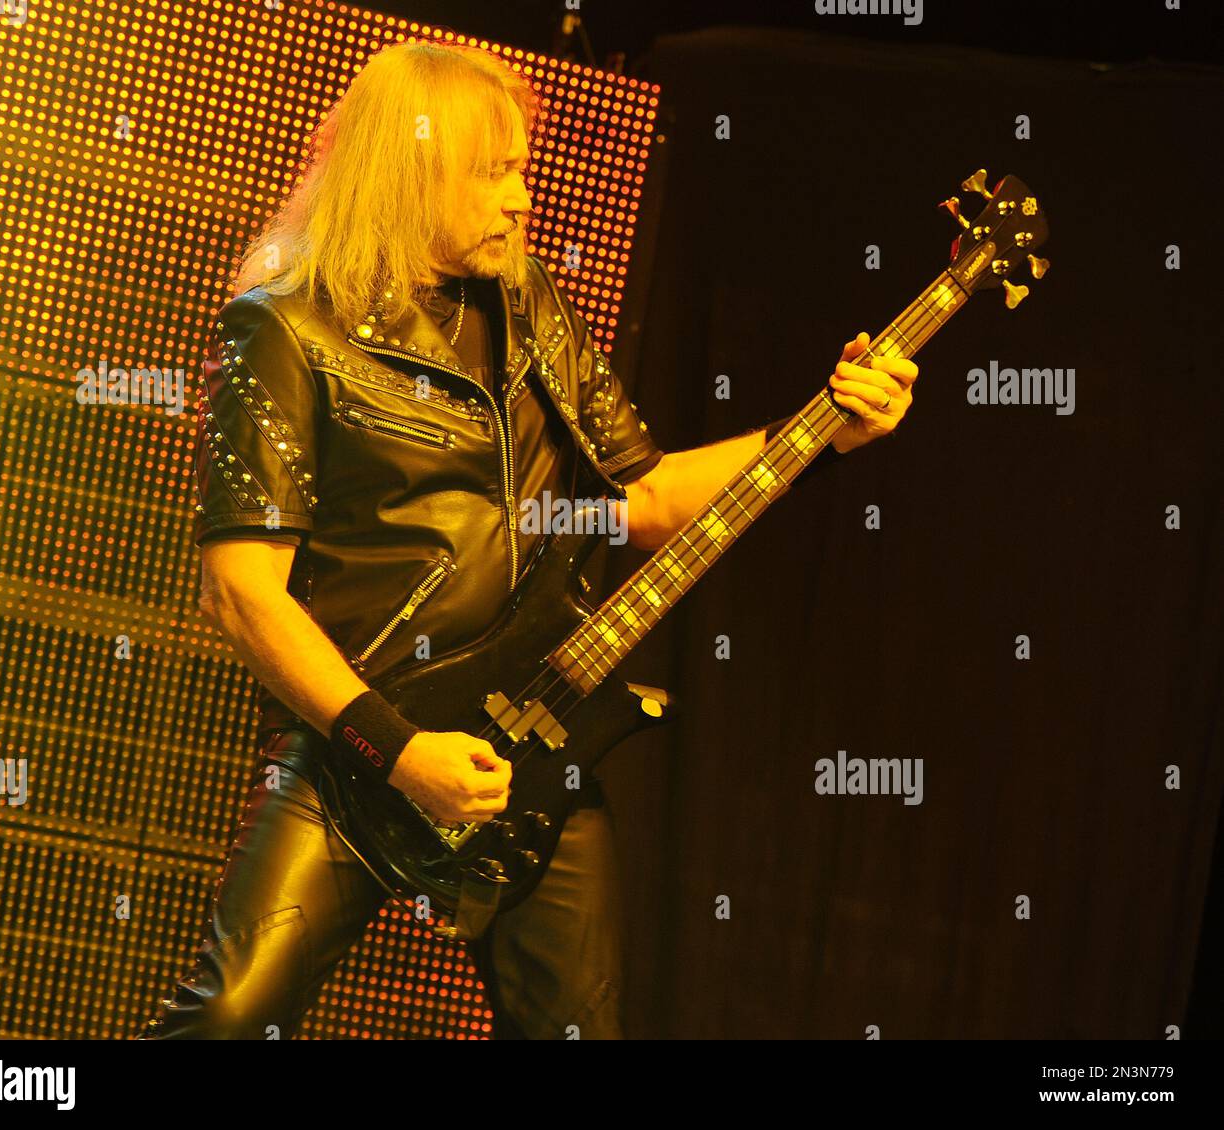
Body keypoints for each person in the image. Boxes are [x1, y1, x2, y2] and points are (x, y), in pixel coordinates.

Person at [137, 40, 917, 1041]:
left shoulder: (529, 304)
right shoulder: (285, 329)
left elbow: (647, 496)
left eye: (525, 170)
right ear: (415, 171)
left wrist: (822, 430)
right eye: (496, 171)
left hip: (532, 742)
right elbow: (243, 595)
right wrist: (399, 748)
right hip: (353, 757)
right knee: (227, 1021)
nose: (521, 199)